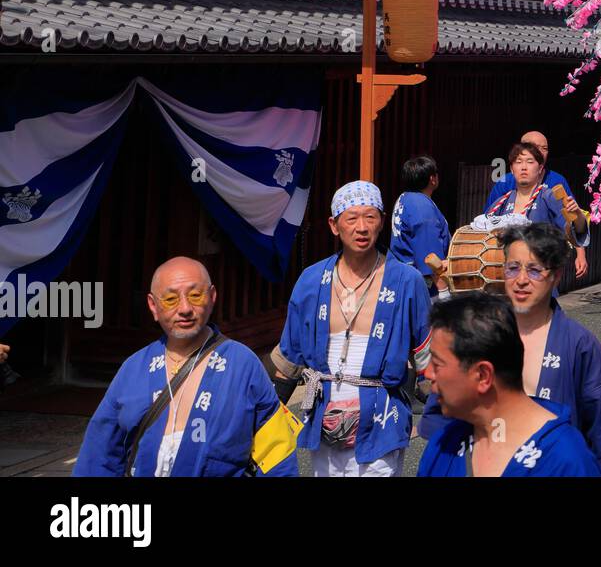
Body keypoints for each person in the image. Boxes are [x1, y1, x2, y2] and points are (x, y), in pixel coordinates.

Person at [75, 257, 298, 476]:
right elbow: (98, 456)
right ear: (153, 306)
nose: (184, 308)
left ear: (212, 297)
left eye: (195, 295)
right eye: (170, 299)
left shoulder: (242, 364)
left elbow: (277, 454)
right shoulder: (134, 368)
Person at [271, 181, 431, 477]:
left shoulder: (407, 281)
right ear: (334, 225)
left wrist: (442, 410)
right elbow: (289, 360)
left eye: (370, 217)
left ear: (382, 222)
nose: (361, 227)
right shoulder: (310, 280)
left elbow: (427, 359)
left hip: (381, 416)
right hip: (324, 415)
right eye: (351, 218)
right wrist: (264, 418)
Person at [498, 222, 601, 475]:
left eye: (534, 270)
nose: (521, 280)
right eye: (513, 268)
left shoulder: (577, 343)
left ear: (556, 275)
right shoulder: (484, 335)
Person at [417, 292, 600, 477]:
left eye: (437, 364)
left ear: (483, 375)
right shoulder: (445, 443)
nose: (428, 373)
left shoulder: (564, 461)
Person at [484, 142, 589, 278]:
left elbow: (575, 231)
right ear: (512, 168)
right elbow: (484, 233)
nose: (523, 167)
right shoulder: (501, 202)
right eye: (518, 162)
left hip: (540, 276)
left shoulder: (548, 196)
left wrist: (578, 216)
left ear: (540, 168)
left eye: (530, 162)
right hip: (508, 280)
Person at [389, 155, 452, 299]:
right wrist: (443, 292)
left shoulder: (405, 198)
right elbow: (430, 255)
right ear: (432, 179)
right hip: (422, 287)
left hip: (405, 278)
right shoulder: (421, 206)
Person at [484, 131, 575, 207]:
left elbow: (572, 220)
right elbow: (488, 218)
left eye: (544, 148)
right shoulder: (505, 182)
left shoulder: (557, 180)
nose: (540, 152)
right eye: (534, 147)